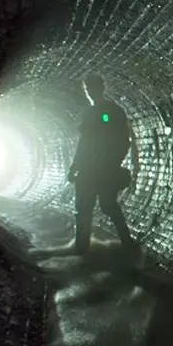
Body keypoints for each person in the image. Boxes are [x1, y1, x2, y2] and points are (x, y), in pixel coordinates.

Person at [67, 75, 134, 254]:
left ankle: (127, 243)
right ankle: (81, 250)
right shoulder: (91, 111)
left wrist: (113, 162)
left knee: (107, 205)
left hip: (103, 170)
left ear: (102, 88)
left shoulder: (111, 112)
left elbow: (122, 140)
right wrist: (75, 166)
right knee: (84, 209)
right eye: (88, 89)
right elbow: (84, 143)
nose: (90, 92)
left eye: (93, 88)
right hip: (88, 170)